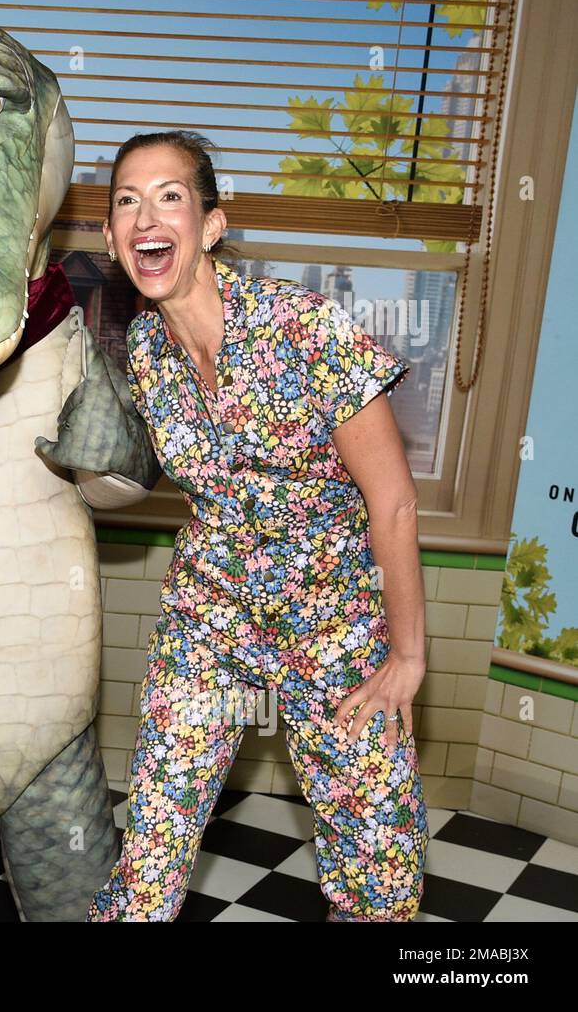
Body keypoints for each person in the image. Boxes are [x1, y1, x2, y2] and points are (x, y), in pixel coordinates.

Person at [86, 130, 429, 922]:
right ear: (111, 239)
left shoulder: (303, 328)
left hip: (333, 624)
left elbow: (395, 503)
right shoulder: (145, 347)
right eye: (127, 201)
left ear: (210, 225)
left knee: (377, 866)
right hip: (208, 619)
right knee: (151, 849)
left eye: (170, 195)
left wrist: (408, 654)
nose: (147, 216)